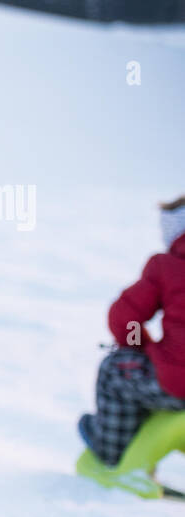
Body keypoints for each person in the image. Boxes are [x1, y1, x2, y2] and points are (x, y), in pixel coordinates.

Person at [79, 197, 185, 466]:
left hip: (179, 383)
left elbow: (126, 319)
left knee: (116, 369)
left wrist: (138, 346)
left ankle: (111, 448)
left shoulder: (167, 266)